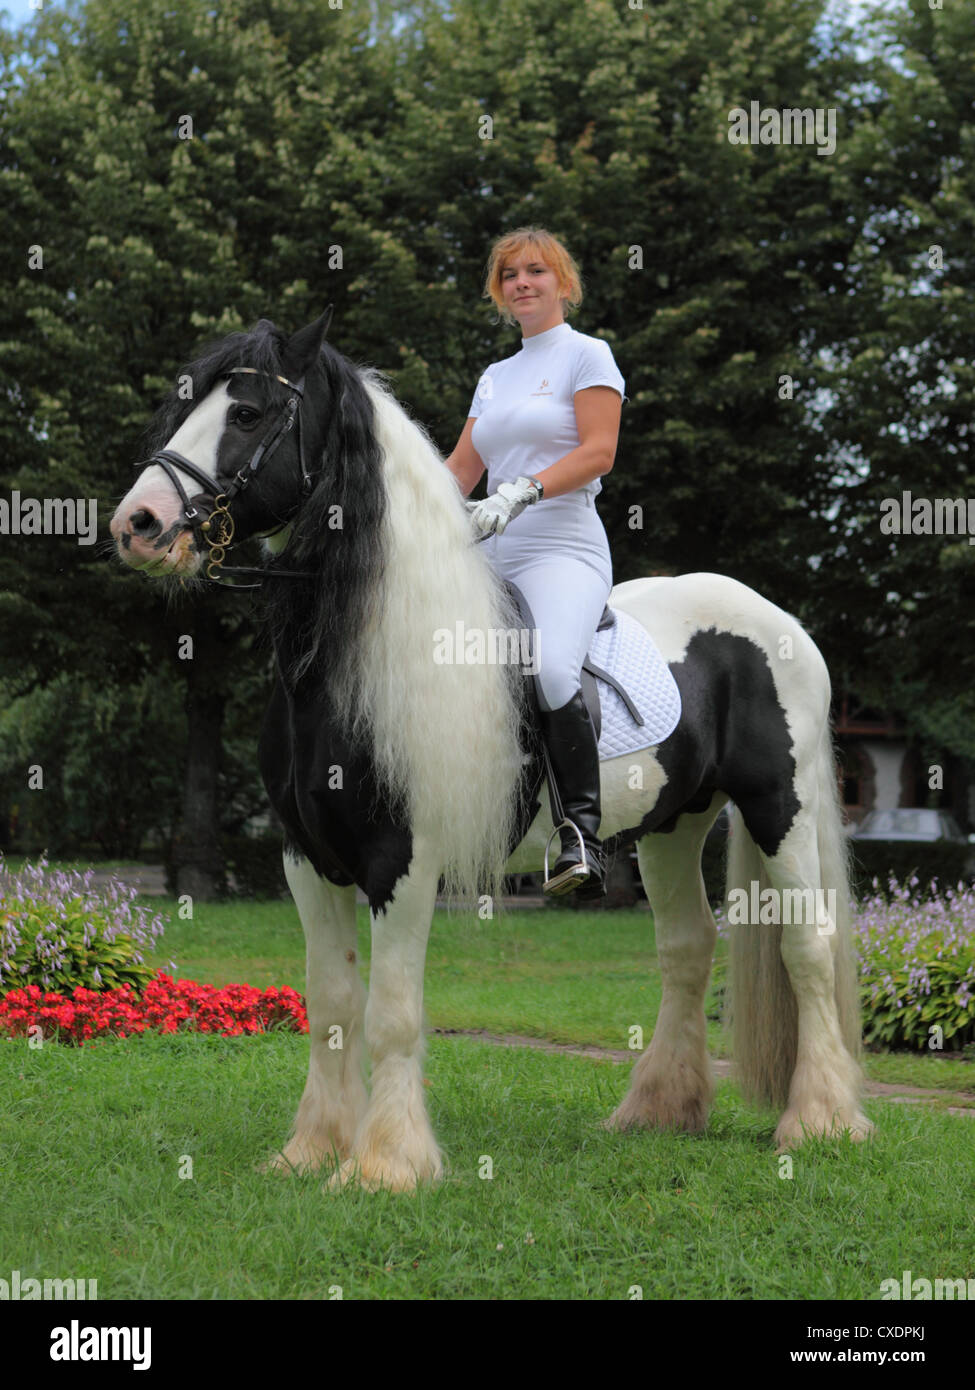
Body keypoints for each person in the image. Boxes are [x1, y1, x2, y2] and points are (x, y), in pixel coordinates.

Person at [444, 227, 625, 898]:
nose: (522, 282)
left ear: (562, 283)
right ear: (499, 291)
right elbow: (460, 470)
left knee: (546, 665)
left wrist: (521, 490)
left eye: (535, 272)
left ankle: (578, 829)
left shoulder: (587, 355)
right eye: (510, 274)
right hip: (490, 548)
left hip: (561, 544)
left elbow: (598, 451)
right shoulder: (493, 378)